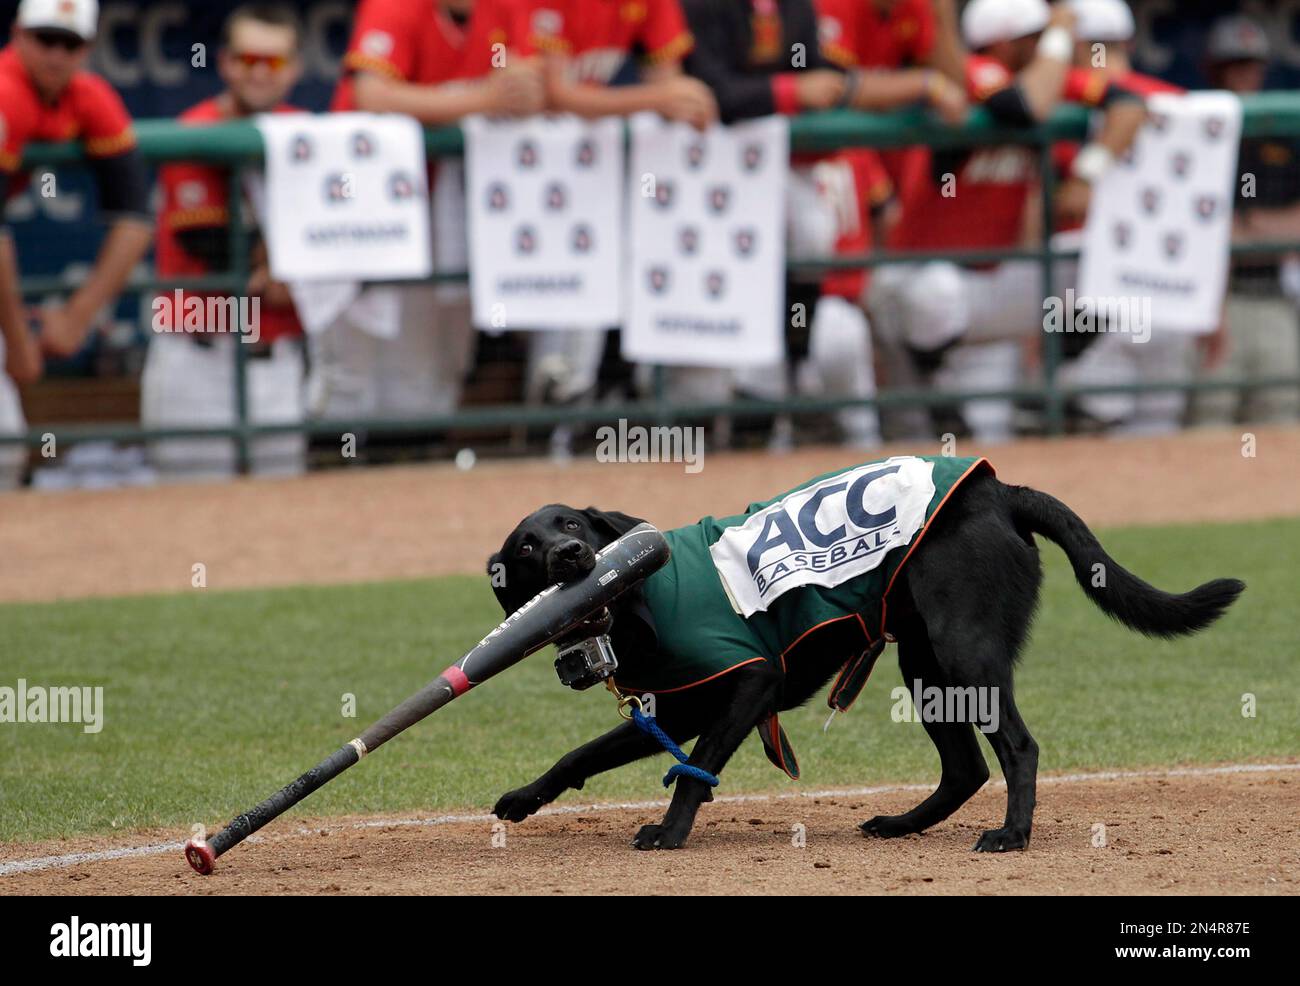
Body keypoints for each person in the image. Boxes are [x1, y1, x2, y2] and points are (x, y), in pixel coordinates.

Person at [681, 0, 967, 449]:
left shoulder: (799, 9)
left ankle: (802, 376)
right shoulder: (705, 8)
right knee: (700, 373)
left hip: (777, 175)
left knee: (816, 247)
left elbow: (831, 84)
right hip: (702, 173)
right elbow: (711, 88)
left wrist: (925, 82)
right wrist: (793, 92)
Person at [866, 0, 1145, 443]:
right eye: (1032, 38)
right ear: (1003, 42)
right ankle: (934, 390)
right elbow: (1024, 105)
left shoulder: (1044, 81)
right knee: (933, 302)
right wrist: (1058, 35)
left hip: (988, 286)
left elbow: (1129, 102)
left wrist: (1089, 172)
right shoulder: (971, 72)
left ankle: (1069, 391)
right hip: (914, 287)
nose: (1044, 47)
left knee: (1096, 264)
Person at [319, 0, 544, 430]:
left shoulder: (502, 9)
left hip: (445, 202)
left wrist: (517, 88)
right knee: (352, 366)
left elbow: (528, 89)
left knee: (434, 360)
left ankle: (407, 463)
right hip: (361, 203)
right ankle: (334, 468)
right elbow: (372, 94)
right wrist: (482, 98)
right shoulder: (396, 7)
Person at [520, 0, 719, 454]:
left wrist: (679, 98)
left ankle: (570, 437)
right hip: (525, 174)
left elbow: (669, 79)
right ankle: (539, 441)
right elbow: (552, 94)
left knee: (596, 300)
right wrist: (658, 99)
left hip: (588, 174)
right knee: (563, 315)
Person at [144, 4, 309, 479]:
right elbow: (207, 239)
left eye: (273, 62)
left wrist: (295, 269)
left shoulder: (308, 132)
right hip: (198, 353)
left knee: (282, 521)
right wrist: (284, 261)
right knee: (187, 516)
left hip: (274, 356)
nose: (258, 72)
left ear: (295, 68)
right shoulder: (195, 129)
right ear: (224, 63)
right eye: (246, 59)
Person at [0, 0, 151, 489]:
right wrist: (20, 344)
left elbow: (134, 219)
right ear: (18, 33)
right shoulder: (5, 91)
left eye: (70, 43)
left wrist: (77, 316)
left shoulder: (85, 96)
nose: (56, 54)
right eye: (45, 39)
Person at [1187, 15, 1300, 427]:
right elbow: (1197, 229)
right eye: (1235, 66)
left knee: (1282, 414)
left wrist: (1245, 223)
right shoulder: (1196, 135)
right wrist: (1244, 230)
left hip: (1273, 297)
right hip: (1215, 300)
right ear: (1215, 71)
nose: (1245, 76)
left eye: (1252, 66)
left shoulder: (1282, 137)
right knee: (1210, 417)